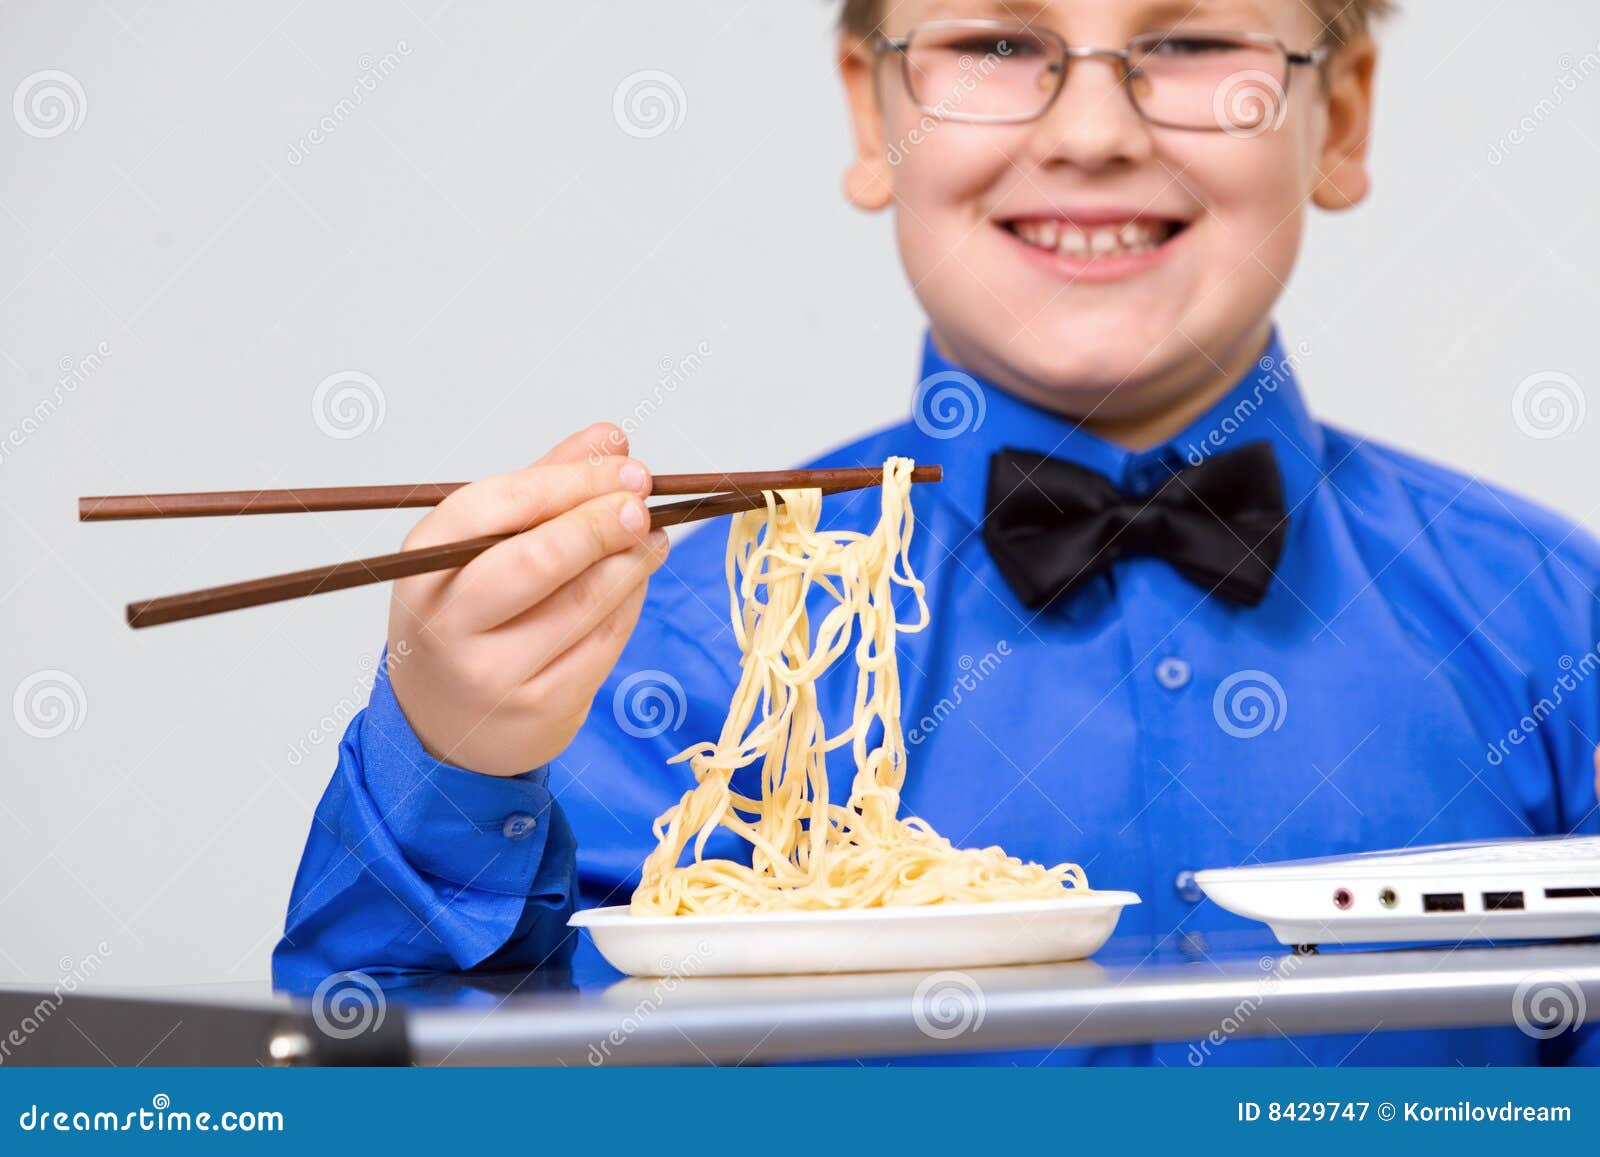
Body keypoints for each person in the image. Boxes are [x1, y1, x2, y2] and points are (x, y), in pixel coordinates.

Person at [274, 0, 1600, 1065]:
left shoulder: (1553, 627)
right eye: (998, 43)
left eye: (1191, 42)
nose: (1090, 132)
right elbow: (396, 1084)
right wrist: (455, 756)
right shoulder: (686, 646)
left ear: (1342, 113)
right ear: (873, 109)